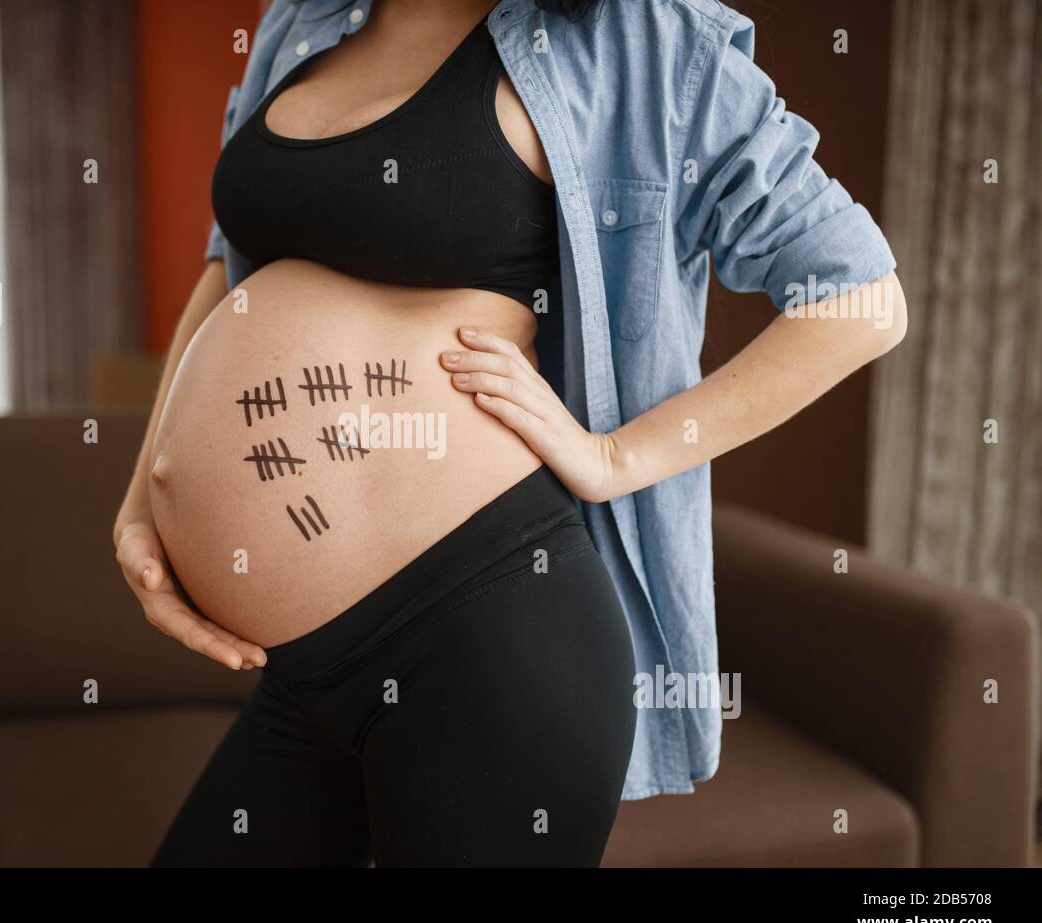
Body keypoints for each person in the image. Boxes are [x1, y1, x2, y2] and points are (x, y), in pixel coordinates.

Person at [114, 0, 906, 867]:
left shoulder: (648, 39)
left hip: (489, 636)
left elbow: (860, 299)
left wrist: (616, 456)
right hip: (301, 669)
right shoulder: (302, 18)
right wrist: (145, 499)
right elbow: (226, 270)